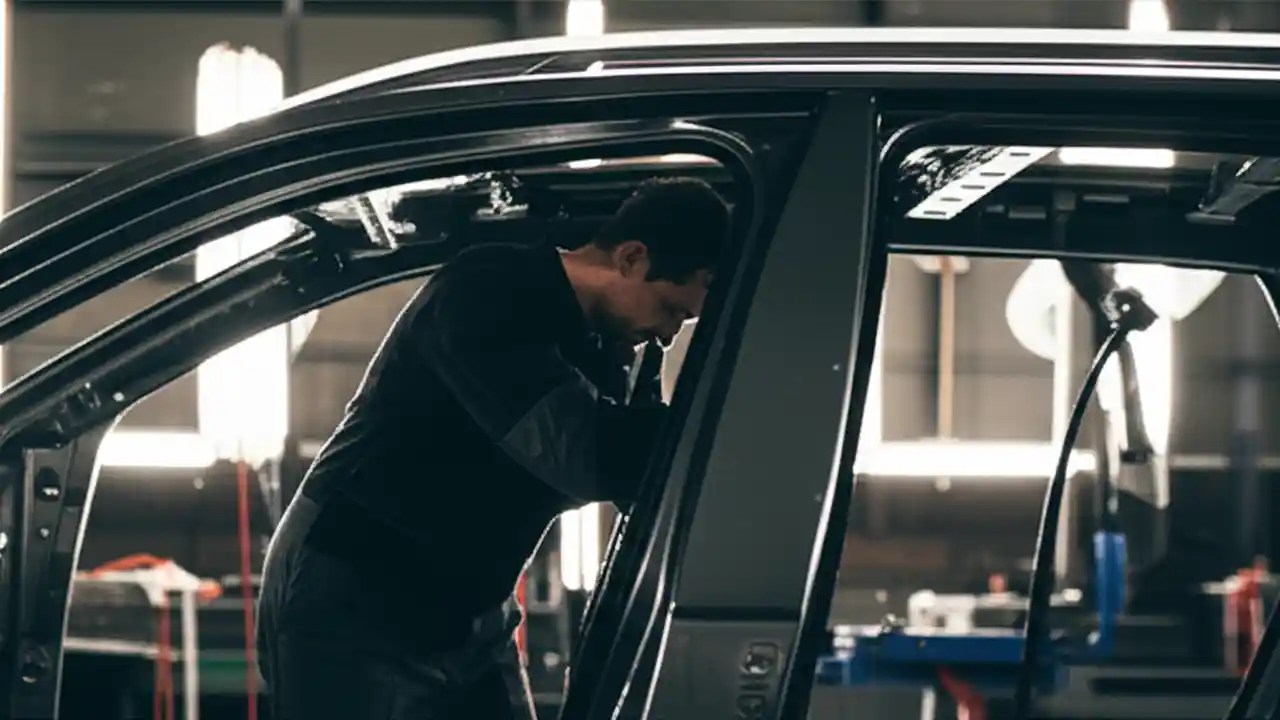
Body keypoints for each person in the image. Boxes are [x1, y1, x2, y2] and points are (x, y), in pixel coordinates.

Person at [256, 176, 732, 719]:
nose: (669, 335)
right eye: (672, 310)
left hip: (470, 601)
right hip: (357, 585)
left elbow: (647, 478)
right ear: (631, 258)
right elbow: (585, 454)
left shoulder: (621, 342)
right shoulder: (489, 292)